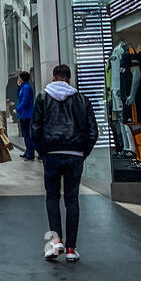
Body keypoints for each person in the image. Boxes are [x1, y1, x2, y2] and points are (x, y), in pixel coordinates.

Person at [32, 63, 99, 262]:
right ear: (69, 79)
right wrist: (82, 152)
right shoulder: (81, 99)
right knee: (72, 200)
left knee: (52, 197)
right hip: (75, 155)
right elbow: (93, 131)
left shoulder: (43, 98)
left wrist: (43, 151)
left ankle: (56, 241)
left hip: (51, 153)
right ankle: (71, 249)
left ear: (53, 78)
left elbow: (35, 128)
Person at [16, 70, 36, 161]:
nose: (18, 78)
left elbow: (25, 101)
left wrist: (17, 109)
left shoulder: (27, 87)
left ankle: (30, 153)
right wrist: (18, 86)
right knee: (25, 134)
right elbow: (19, 97)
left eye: (19, 77)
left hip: (27, 114)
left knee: (28, 135)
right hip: (23, 114)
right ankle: (27, 151)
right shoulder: (23, 87)